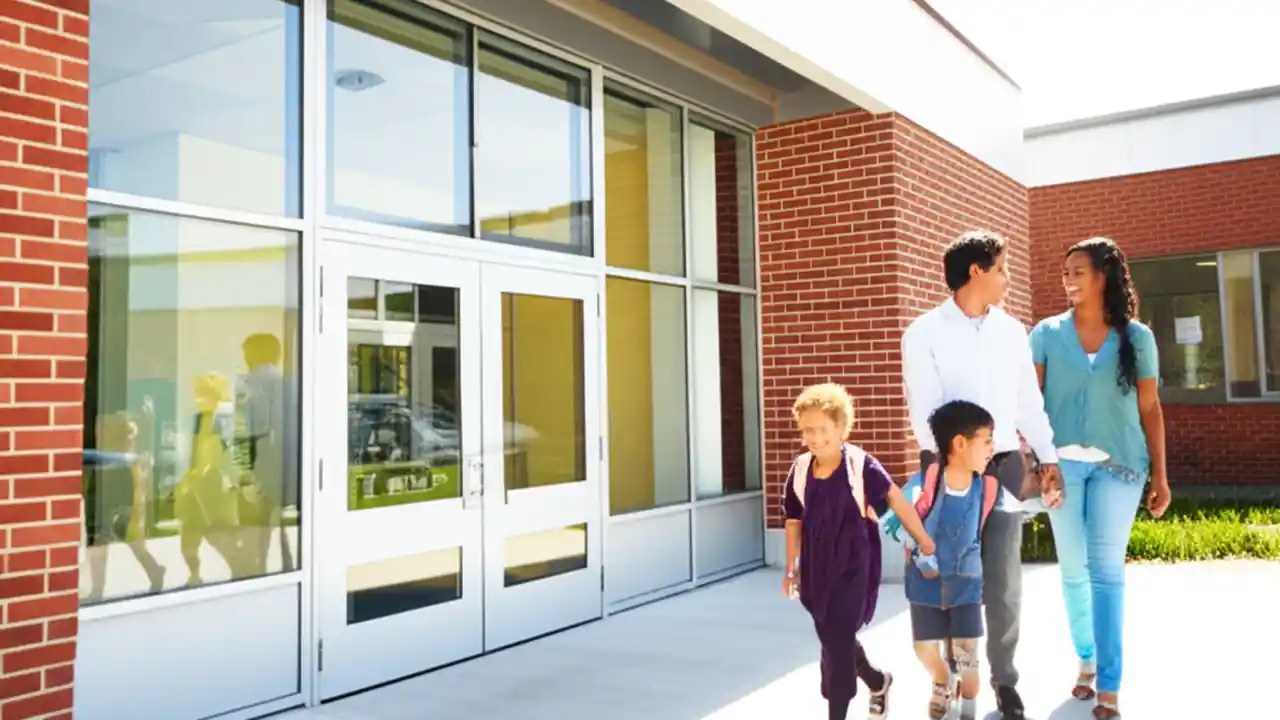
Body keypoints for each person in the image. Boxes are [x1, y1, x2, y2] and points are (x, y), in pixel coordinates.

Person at [901, 230, 1063, 720]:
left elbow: (1027, 404)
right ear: (977, 271)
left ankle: (1004, 680)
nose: (1007, 279)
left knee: (1004, 583)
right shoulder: (923, 332)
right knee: (953, 579)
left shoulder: (1013, 331)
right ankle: (950, 677)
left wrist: (1048, 456)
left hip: (1006, 464)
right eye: (1002, 269)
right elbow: (925, 411)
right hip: (949, 470)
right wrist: (956, 463)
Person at [1030, 237, 1171, 719]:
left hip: (1122, 466)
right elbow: (1031, 408)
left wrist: (1162, 476)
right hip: (1062, 468)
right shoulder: (1046, 334)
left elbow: (1150, 408)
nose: (1068, 278)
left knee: (1107, 572)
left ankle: (1109, 682)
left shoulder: (1138, 339)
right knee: (1073, 570)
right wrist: (1039, 465)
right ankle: (1086, 659)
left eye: (1078, 270)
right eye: (1064, 270)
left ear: (1104, 275)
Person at [782, 383, 936, 720]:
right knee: (835, 638)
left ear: (841, 428)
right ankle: (878, 681)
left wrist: (922, 537)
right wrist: (792, 567)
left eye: (822, 429)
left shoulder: (860, 464)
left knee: (837, 643)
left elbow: (896, 500)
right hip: (816, 568)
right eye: (807, 429)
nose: (814, 437)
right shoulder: (800, 469)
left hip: (854, 565)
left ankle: (837, 711)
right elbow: (793, 520)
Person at [905, 400, 1000, 720]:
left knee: (968, 655)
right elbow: (907, 518)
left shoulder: (987, 486)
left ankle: (968, 706)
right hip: (926, 578)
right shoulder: (929, 479)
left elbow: (984, 524)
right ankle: (942, 680)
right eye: (987, 440)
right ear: (960, 444)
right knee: (924, 648)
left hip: (966, 581)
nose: (992, 448)